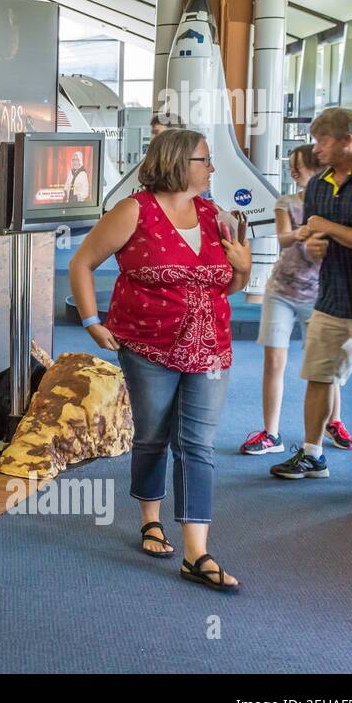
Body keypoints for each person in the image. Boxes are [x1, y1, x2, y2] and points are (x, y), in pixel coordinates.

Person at [69, 129, 251, 593]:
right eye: (204, 160)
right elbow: (82, 262)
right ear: (177, 162)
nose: (211, 168)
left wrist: (244, 269)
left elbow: (225, 287)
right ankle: (150, 518)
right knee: (152, 434)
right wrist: (91, 320)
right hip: (149, 345)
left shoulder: (216, 216)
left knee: (197, 445)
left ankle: (197, 552)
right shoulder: (134, 210)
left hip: (211, 347)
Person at [271, 108, 352, 480]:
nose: (316, 149)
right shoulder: (319, 184)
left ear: (347, 140)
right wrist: (313, 247)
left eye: (323, 140)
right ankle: (313, 454)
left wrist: (326, 227)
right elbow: (312, 242)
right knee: (318, 376)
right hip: (329, 300)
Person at [240, 145, 352, 454]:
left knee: (325, 365)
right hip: (282, 291)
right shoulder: (286, 202)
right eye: (291, 166)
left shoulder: (336, 206)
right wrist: (306, 231)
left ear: (317, 170)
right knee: (274, 360)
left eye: (299, 166)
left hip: (321, 294)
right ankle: (271, 434)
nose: (294, 171)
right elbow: (283, 238)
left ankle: (334, 422)